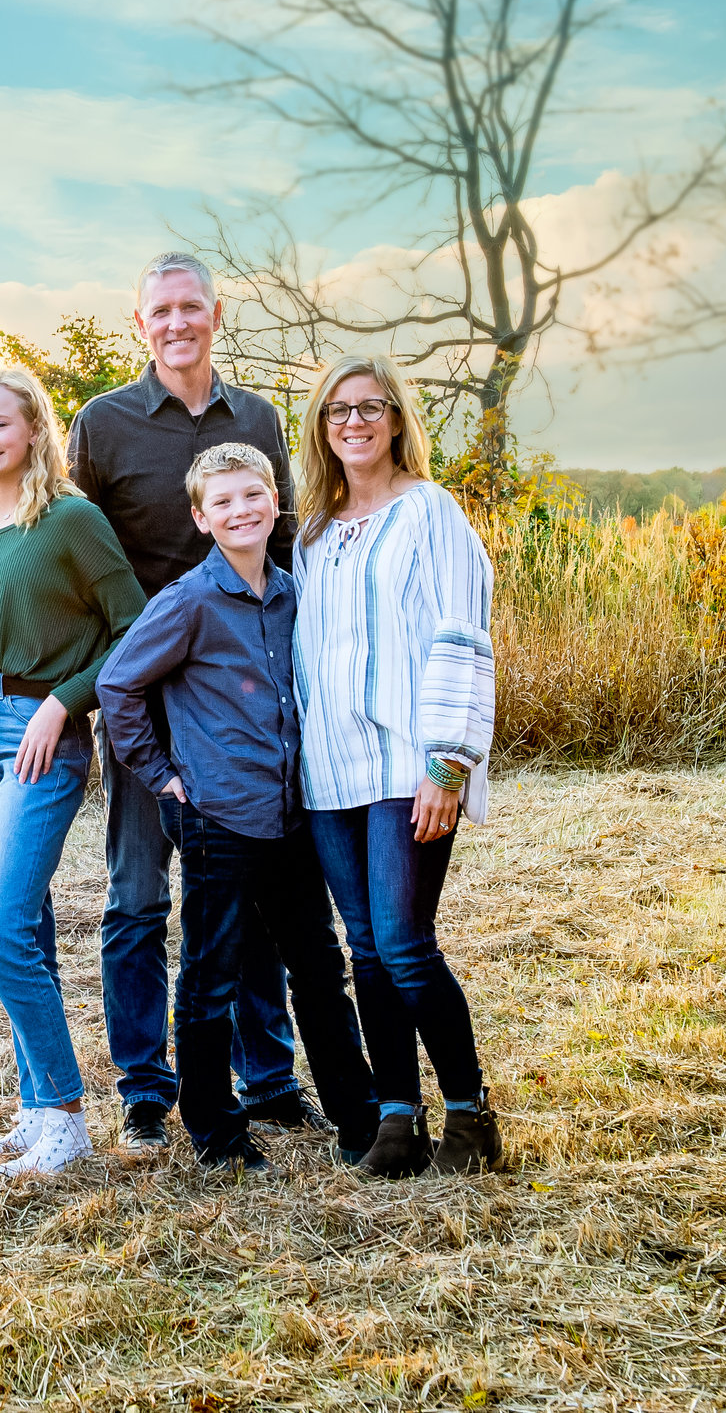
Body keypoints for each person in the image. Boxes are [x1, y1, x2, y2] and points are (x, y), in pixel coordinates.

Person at [66, 251, 314, 1158]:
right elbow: (72, 548)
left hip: (238, 696)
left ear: (216, 314)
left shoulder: (256, 418)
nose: (176, 323)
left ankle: (270, 1077)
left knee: (246, 894)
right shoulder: (102, 424)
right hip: (145, 693)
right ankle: (144, 1084)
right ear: (140, 324)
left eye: (191, 308)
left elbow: (281, 543)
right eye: (159, 311)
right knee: (136, 897)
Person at [96, 443, 381, 1177]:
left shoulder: (294, 593)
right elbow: (119, 686)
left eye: (252, 496)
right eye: (221, 502)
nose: (240, 510)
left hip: (291, 815)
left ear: (275, 503)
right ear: (200, 518)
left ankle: (359, 1119)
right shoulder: (188, 601)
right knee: (210, 975)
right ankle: (217, 1134)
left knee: (318, 969)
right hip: (217, 817)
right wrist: (161, 775)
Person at [0, 366, 144, 1180]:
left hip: (39, 735)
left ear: (34, 431)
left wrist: (63, 703)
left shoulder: (72, 522)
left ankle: (68, 1115)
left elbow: (135, 629)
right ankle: (33, 1112)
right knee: (30, 928)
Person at [292, 353, 504, 1178]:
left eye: (369, 408)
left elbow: (462, 630)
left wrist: (447, 764)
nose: (353, 422)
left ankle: (469, 1113)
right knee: (365, 951)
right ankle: (395, 1118)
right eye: (336, 411)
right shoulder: (312, 533)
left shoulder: (428, 512)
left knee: (405, 943)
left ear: (395, 419)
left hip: (404, 763)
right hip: (330, 771)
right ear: (320, 427)